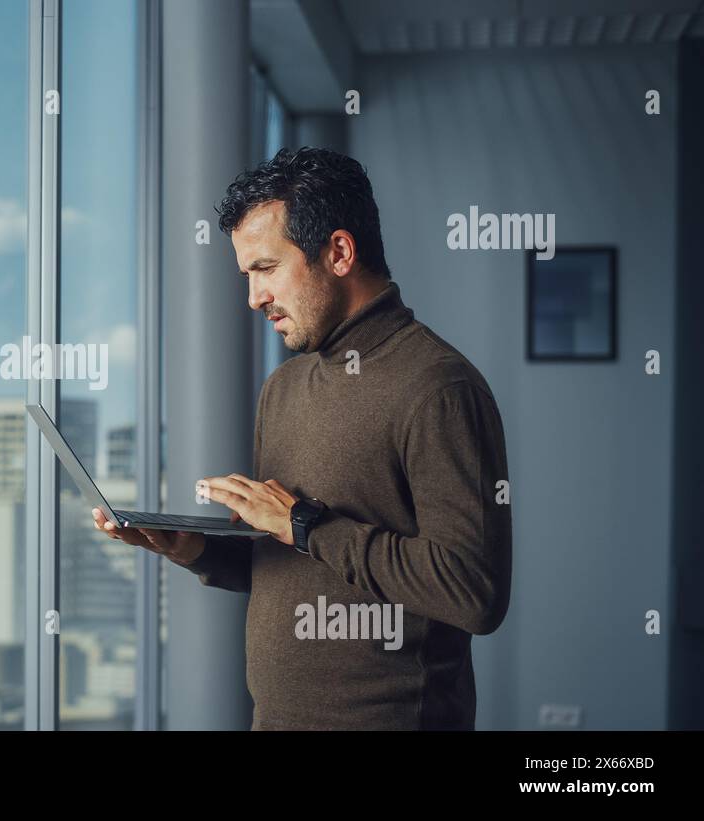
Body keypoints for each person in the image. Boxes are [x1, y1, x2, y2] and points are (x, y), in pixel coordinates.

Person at [92, 146, 511, 730]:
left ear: (338, 252)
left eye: (265, 269)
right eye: (246, 276)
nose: (253, 298)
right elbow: (300, 566)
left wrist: (308, 523)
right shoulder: (284, 388)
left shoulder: (438, 388)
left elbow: (473, 592)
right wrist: (196, 551)